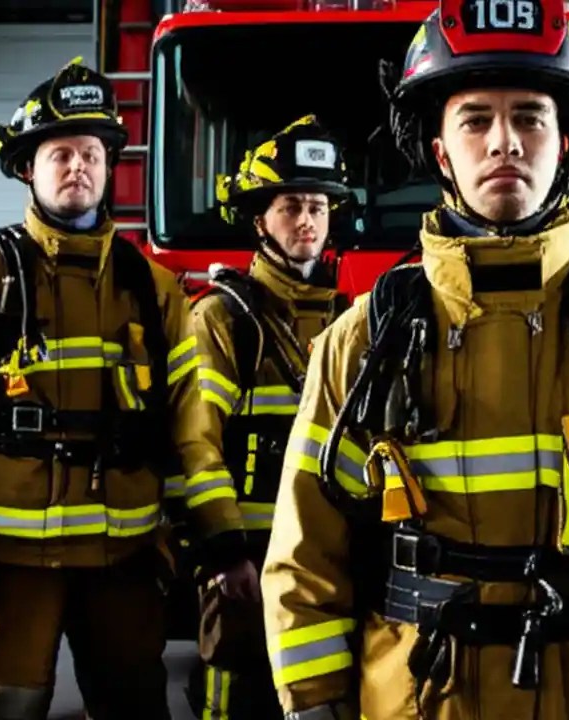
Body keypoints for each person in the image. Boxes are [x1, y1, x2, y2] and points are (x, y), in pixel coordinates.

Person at [260, 0, 569, 718]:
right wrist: (313, 702)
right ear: (439, 149)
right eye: (475, 120)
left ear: (564, 144)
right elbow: (306, 548)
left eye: (530, 116)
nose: (505, 142)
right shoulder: (363, 341)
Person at [0, 57, 256, 719]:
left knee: (136, 706)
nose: (79, 166)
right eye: (61, 153)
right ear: (27, 167)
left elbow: (191, 430)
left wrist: (221, 537)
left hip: (123, 560)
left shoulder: (153, 288)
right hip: (6, 560)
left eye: (92, 152)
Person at [183, 114, 353, 719]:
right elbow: (196, 444)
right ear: (260, 219)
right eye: (290, 206)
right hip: (248, 556)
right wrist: (226, 551)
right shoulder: (225, 321)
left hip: (337, 551)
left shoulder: (353, 319)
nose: (306, 219)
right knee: (238, 692)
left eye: (318, 205)